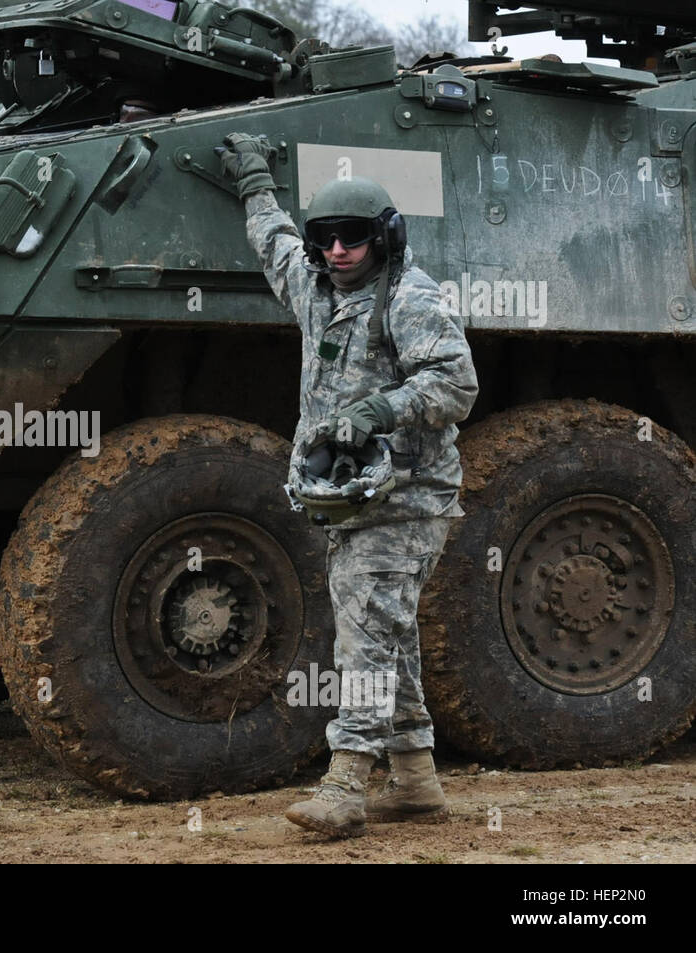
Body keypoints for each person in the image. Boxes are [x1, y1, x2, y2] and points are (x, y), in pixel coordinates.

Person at [218, 133, 479, 838]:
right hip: (349, 497)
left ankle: (346, 783)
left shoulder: (411, 299)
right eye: (327, 237)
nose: (338, 250)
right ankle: (417, 781)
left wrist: (380, 408)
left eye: (354, 236)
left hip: (409, 495)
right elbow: (273, 241)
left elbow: (456, 382)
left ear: (384, 236)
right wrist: (253, 180)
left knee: (366, 635)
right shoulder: (316, 288)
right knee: (385, 628)